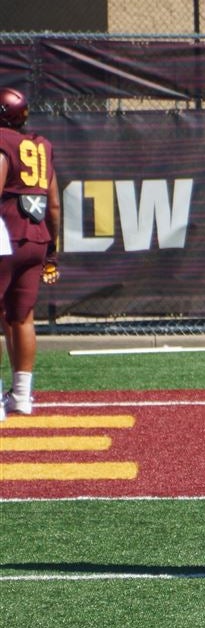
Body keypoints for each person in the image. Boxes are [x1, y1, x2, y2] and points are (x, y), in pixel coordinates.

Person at [0, 86, 56, 419]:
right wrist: (52, 249)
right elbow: (55, 204)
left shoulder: (3, 142)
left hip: (5, 235)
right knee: (22, 316)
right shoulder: (42, 145)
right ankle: (22, 396)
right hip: (36, 237)